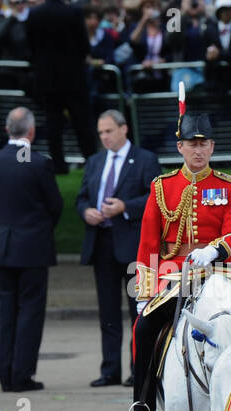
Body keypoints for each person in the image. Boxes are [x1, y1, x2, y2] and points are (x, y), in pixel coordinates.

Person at [127, 92, 231, 411]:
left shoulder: (230, 187)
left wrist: (214, 251)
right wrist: (146, 292)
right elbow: (148, 242)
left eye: (204, 143)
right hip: (173, 275)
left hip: (217, 272)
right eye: (191, 144)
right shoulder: (162, 187)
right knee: (146, 326)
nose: (198, 149)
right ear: (180, 147)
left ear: (212, 146)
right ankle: (143, 403)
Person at [77, 110, 161, 388]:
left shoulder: (145, 159)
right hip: (101, 243)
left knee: (137, 310)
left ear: (124, 129)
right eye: (101, 132)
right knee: (108, 311)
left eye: (109, 131)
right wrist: (86, 211)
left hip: (132, 246)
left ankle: (137, 368)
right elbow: (82, 198)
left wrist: (126, 207)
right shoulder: (94, 161)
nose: (104, 137)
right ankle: (109, 369)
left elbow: (155, 198)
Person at [0, 108, 62, 394]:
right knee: (30, 311)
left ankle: (4, 372)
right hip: (32, 248)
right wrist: (39, 230)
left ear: (8, 130)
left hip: (1, 247)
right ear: (31, 132)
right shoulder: (39, 163)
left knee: (5, 313)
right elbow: (54, 205)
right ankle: (21, 374)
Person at [25, 0, 96, 174]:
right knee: (81, 122)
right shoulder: (73, 12)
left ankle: (58, 164)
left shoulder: (35, 13)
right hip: (73, 78)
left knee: (53, 124)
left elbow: (30, 46)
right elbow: (84, 45)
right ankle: (92, 161)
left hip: (47, 79)